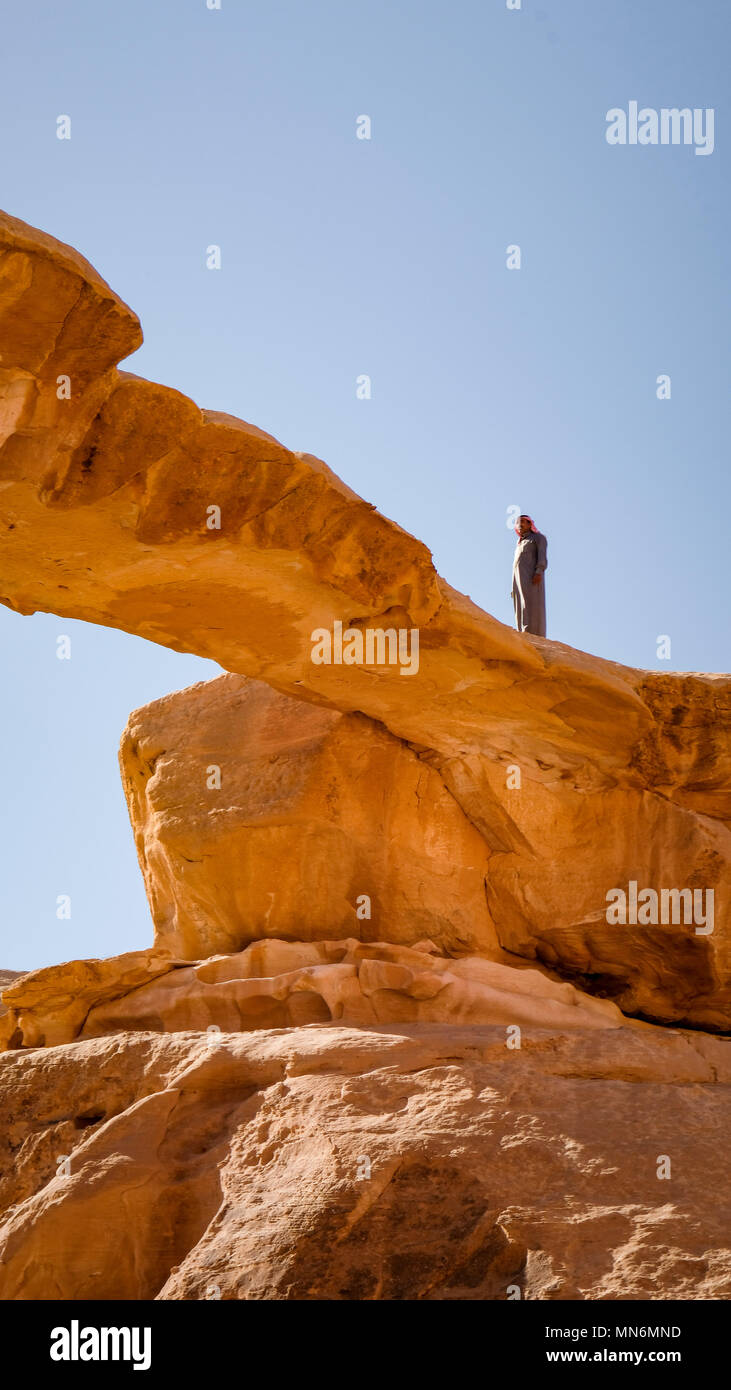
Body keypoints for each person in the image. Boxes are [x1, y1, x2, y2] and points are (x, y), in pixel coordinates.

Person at [512, 513, 547, 637]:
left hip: (531, 577)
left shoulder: (538, 538)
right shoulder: (520, 543)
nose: (520, 524)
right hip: (518, 579)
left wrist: (539, 571)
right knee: (519, 603)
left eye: (522, 521)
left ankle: (534, 633)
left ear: (529, 523)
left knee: (531, 602)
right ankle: (522, 631)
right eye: (517, 522)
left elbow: (542, 557)